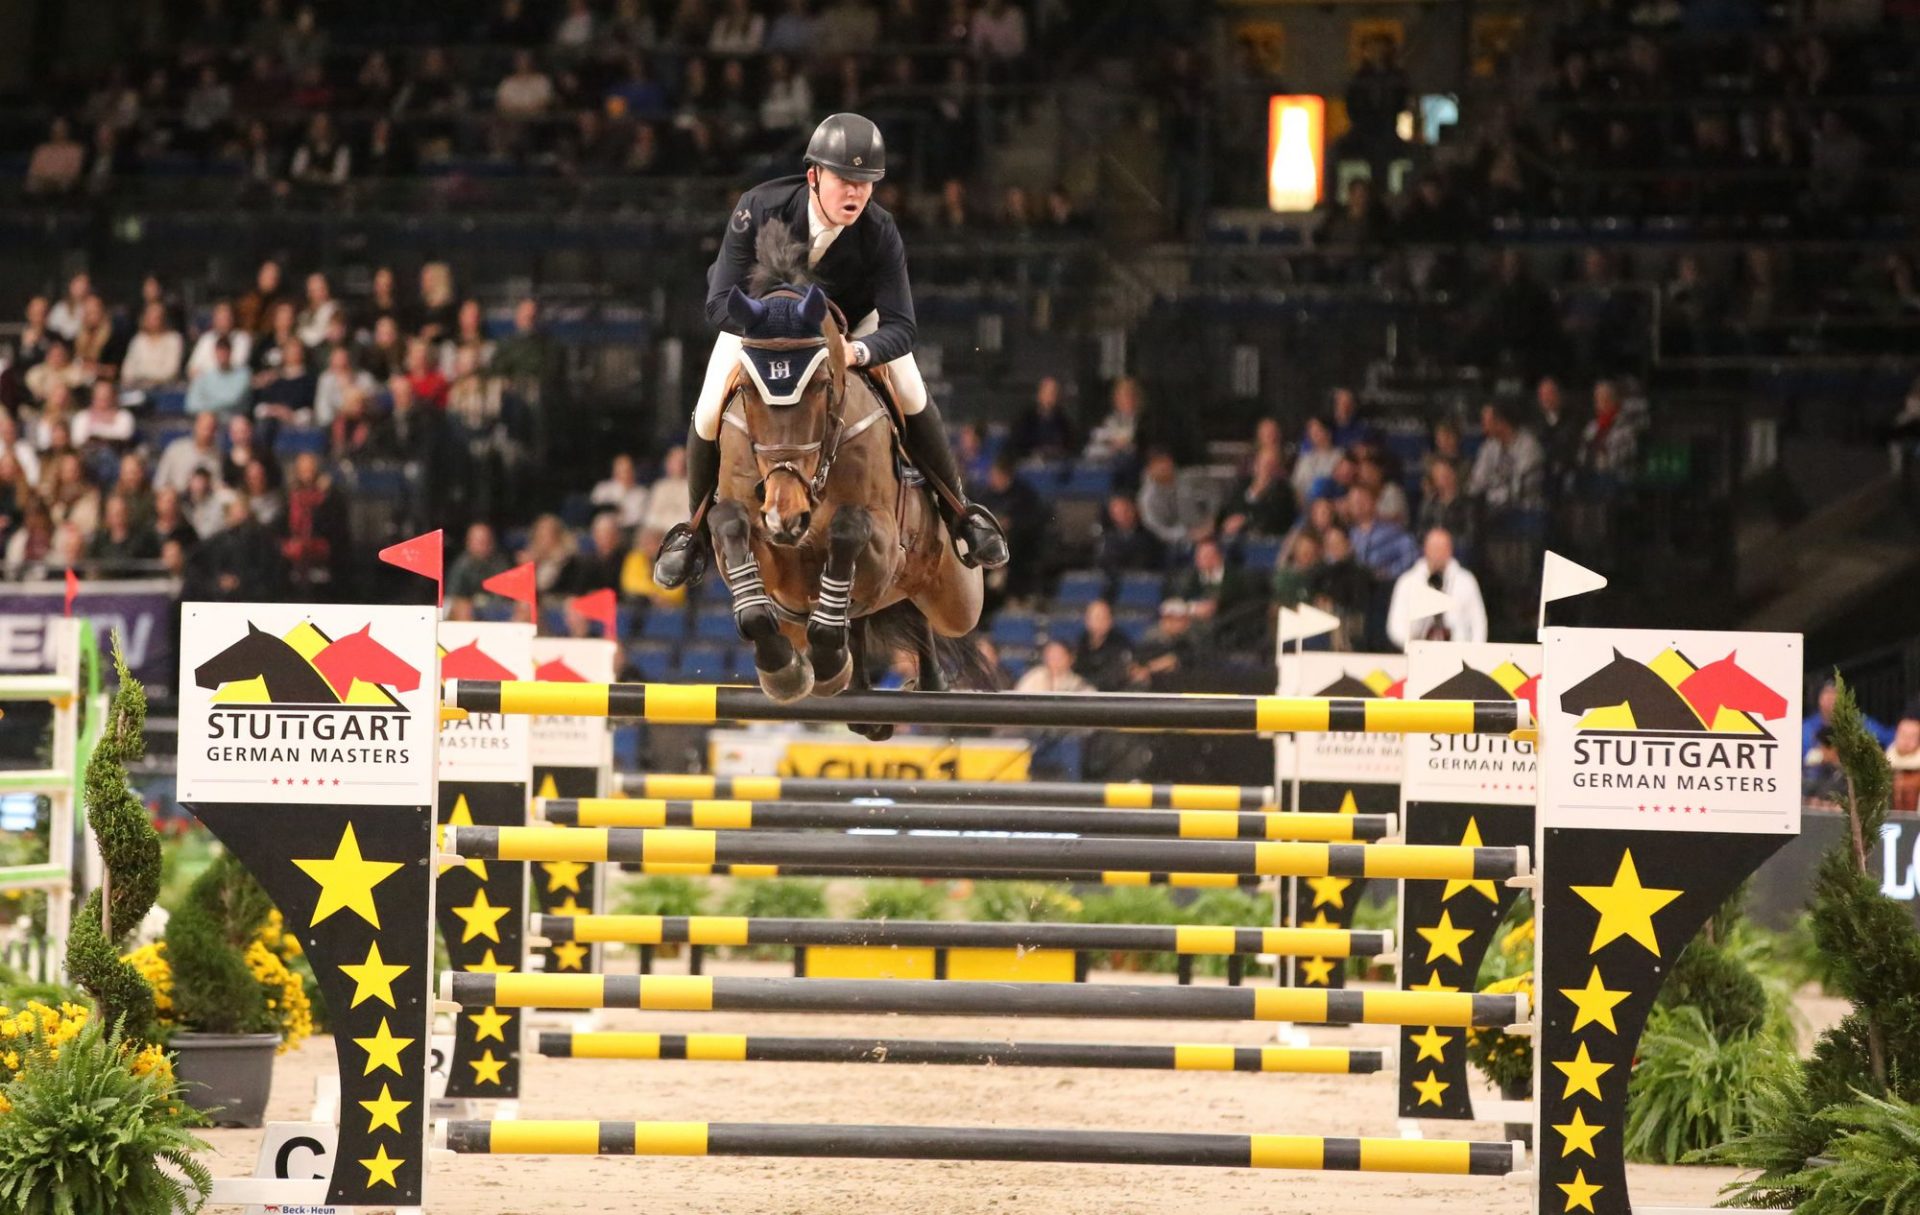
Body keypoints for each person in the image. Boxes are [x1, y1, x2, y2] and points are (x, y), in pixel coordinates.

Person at [653, 112, 1007, 587]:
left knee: (912, 390)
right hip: (762, 327)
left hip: (852, 329)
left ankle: (960, 511)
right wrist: (771, 329)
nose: (856, 193)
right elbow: (718, 303)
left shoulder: (880, 230)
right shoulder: (758, 207)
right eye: (845, 179)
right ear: (814, 175)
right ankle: (692, 533)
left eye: (866, 182)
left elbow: (902, 326)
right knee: (709, 409)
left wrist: (855, 352)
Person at [1385, 528, 1488, 649]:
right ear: (1425, 549)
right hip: (1418, 654)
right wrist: (1412, 645)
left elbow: (1478, 622)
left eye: (1442, 548)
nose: (1438, 553)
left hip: (1459, 654)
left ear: (1450, 550)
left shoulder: (1466, 581)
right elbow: (1395, 626)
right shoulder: (1407, 582)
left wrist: (1474, 652)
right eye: (1434, 548)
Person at [1802, 680, 1895, 754]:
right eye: (1826, 693)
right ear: (1819, 699)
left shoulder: (1859, 723)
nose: (1831, 698)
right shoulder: (1805, 728)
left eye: (1835, 692)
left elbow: (1890, 738)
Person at [1015, 639, 1091, 693]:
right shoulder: (1033, 677)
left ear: (1071, 659)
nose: (1054, 660)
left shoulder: (1079, 684)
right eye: (1051, 656)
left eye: (1059, 656)